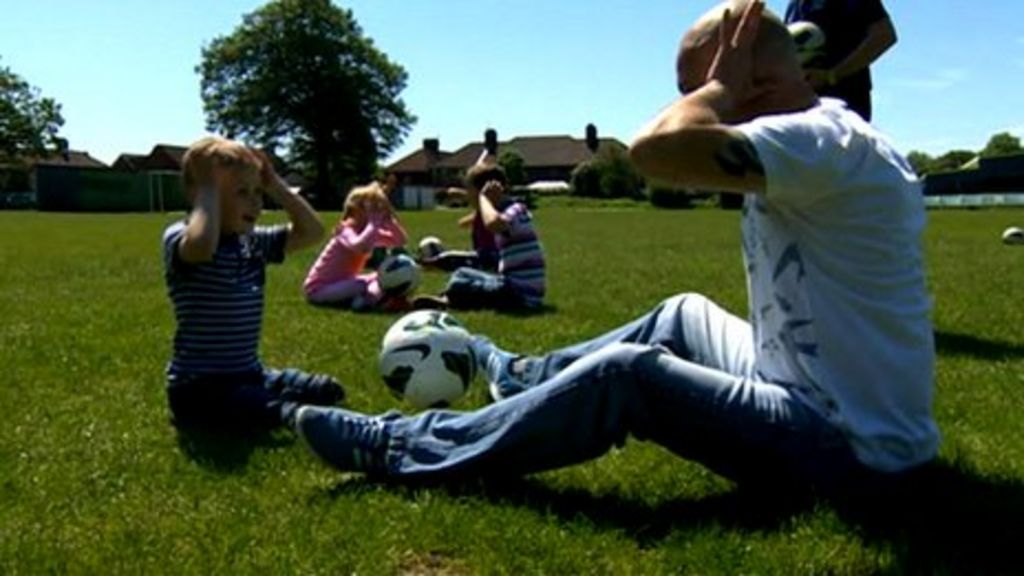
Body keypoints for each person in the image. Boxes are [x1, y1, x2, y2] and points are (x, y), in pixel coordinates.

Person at [293, 0, 939, 491]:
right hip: (806, 385)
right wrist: (729, 89)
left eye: (697, 92)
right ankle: (521, 375)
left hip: (851, 444)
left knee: (629, 377)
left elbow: (654, 150)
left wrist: (720, 91)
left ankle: (406, 446)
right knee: (681, 312)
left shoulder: (822, 141)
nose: (696, 109)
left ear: (751, 83)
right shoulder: (821, 139)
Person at [163, 136, 344, 432]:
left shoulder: (251, 242)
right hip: (198, 388)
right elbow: (203, 247)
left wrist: (276, 186)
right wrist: (207, 187)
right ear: (201, 196)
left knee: (324, 390)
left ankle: (272, 399)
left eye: (258, 192)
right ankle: (285, 413)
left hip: (250, 373)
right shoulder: (181, 238)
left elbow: (312, 231)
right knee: (267, 409)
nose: (256, 202)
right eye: (241, 192)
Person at [412, 163, 546, 311]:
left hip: (520, 295)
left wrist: (484, 198)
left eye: (470, 190)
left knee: (460, 284)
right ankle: (447, 298)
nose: (468, 196)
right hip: (513, 286)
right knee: (462, 273)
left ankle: (450, 300)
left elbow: (493, 224)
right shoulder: (513, 208)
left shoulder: (514, 210)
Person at [303, 181, 409, 311]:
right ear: (355, 210)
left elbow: (400, 240)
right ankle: (369, 301)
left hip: (343, 284)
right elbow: (360, 246)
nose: (376, 212)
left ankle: (377, 299)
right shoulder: (346, 230)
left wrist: (390, 222)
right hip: (319, 289)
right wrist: (374, 224)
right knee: (361, 285)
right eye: (371, 208)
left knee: (379, 276)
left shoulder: (368, 231)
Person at [784, 0, 896, 122]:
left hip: (844, 104)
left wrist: (831, 75)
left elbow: (884, 35)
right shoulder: (794, 5)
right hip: (801, 104)